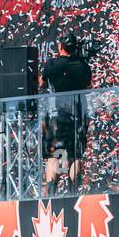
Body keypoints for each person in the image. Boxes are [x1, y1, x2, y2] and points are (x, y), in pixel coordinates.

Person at [40, 34, 92, 194]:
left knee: (55, 155)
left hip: (57, 116)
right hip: (78, 115)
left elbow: (40, 83)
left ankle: (51, 194)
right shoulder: (83, 66)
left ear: (60, 47)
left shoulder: (52, 64)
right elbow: (90, 86)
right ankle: (73, 194)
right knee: (75, 156)